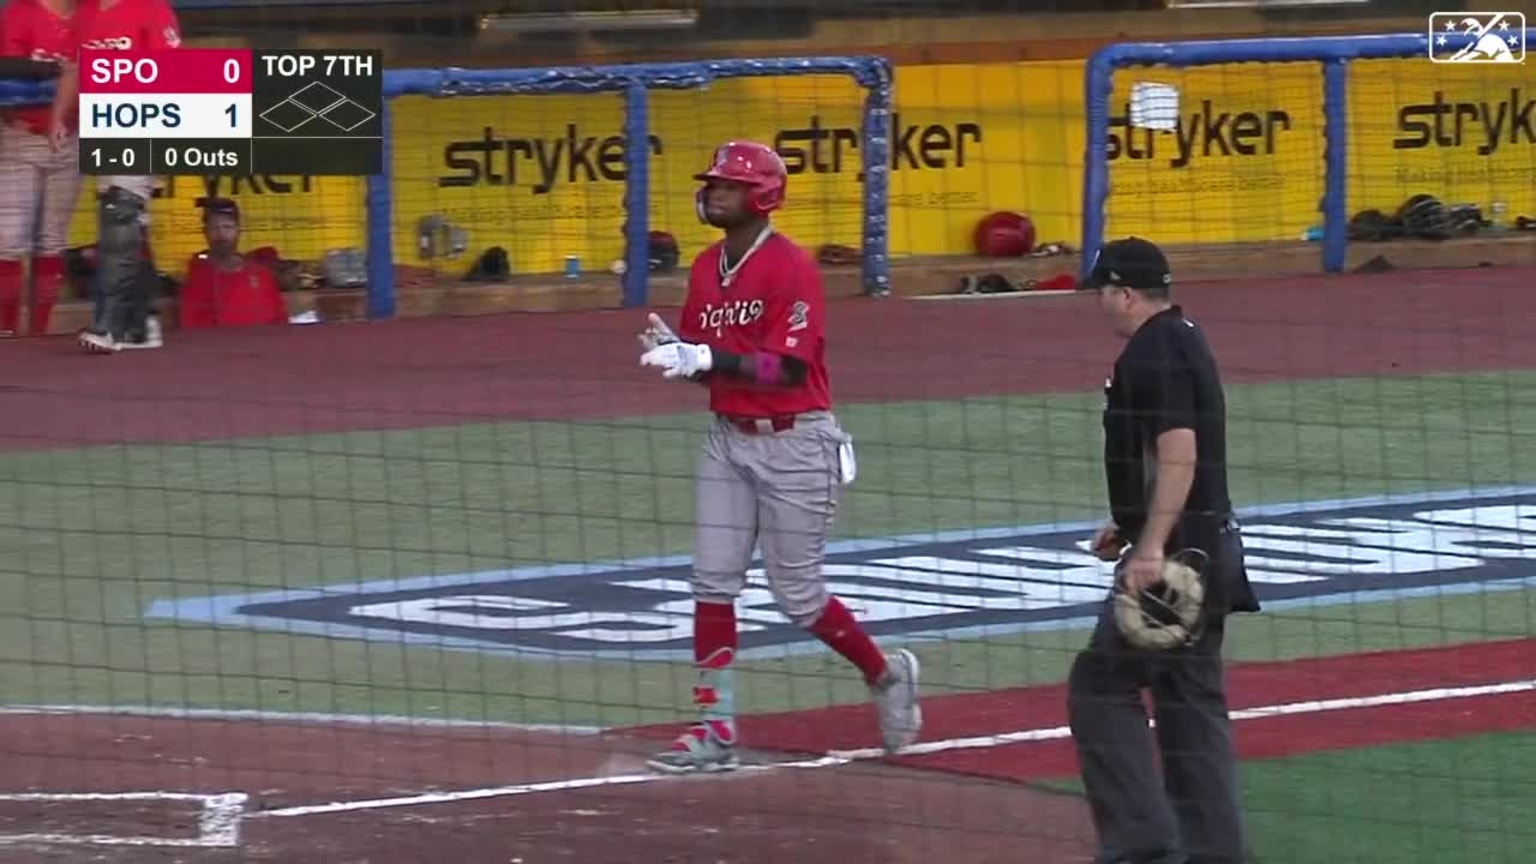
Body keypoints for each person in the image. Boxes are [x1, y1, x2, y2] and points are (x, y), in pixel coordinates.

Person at [636, 140, 921, 774]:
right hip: (728, 439)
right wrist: (679, 355)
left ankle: (885, 673)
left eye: (727, 186)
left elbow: (786, 367)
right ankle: (714, 727)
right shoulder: (707, 267)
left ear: (761, 196)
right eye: (711, 184)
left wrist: (705, 358)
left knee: (798, 595)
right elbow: (714, 366)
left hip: (797, 441)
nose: (712, 193)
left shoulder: (790, 267)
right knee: (712, 581)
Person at [1070, 236, 1261, 863]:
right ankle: (1215, 853)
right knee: (1189, 702)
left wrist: (1149, 545)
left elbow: (1180, 450)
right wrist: (1129, 523)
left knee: (1100, 687)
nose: (1099, 304)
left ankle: (1142, 846)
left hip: (1176, 567)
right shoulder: (1186, 334)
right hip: (1213, 549)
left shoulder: (1149, 354)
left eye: (1102, 291)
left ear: (1125, 292)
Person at [46, 0, 181, 352]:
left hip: (142, 122)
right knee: (126, 222)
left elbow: (172, 71)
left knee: (120, 214)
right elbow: (73, 67)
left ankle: (109, 326)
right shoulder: (86, 11)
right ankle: (140, 324)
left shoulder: (151, 8)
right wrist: (59, 117)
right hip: (100, 126)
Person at [0, 0, 79, 338]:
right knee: (7, 238)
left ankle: (38, 333)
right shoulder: (20, 13)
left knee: (52, 240)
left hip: (73, 138)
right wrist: (57, 74)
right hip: (22, 134)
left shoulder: (90, 14)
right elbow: (8, 79)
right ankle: (5, 330)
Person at [177, 197, 287, 329]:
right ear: (205, 233)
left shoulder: (260, 274)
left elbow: (280, 320)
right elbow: (190, 323)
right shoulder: (198, 275)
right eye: (214, 228)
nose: (221, 234)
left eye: (227, 227)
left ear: (238, 230)